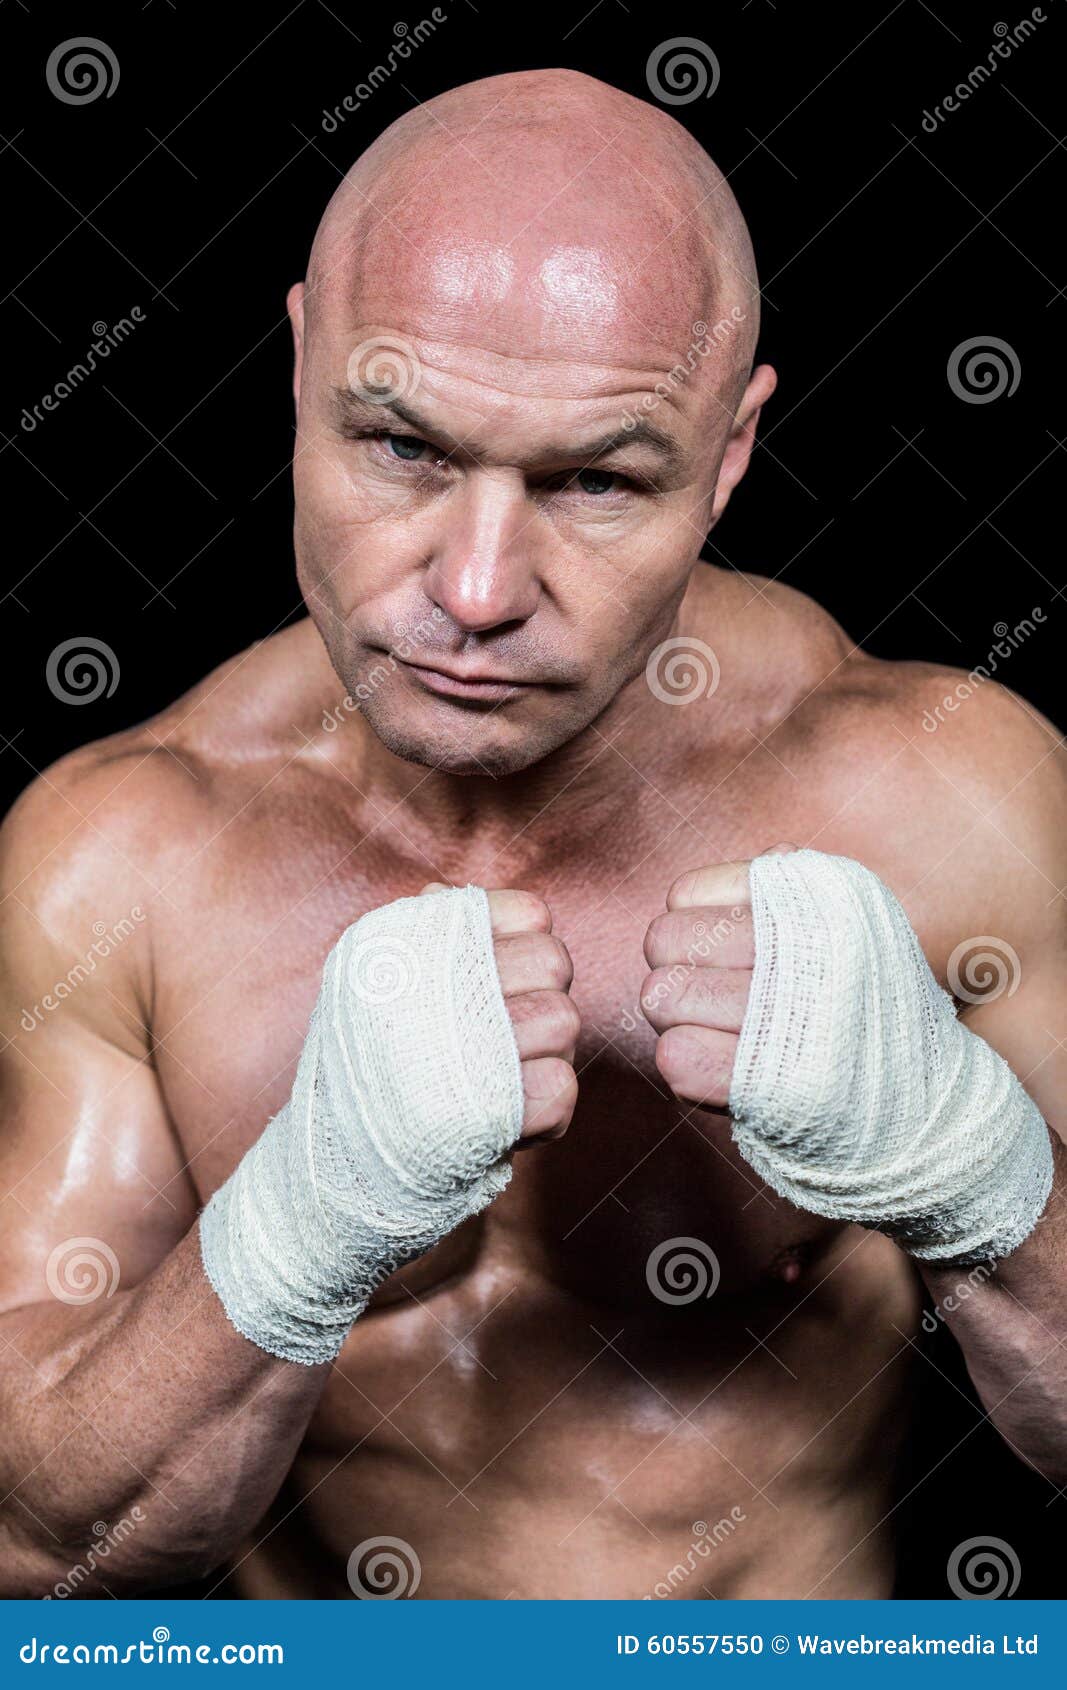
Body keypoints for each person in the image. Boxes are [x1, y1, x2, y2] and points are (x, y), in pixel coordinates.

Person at [1, 68, 1063, 1602]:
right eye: (405, 448)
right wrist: (295, 1231)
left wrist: (981, 1173)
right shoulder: (124, 856)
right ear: (303, 363)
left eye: (594, 480)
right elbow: (39, 1543)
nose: (481, 589)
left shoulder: (940, 794)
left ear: (732, 453)